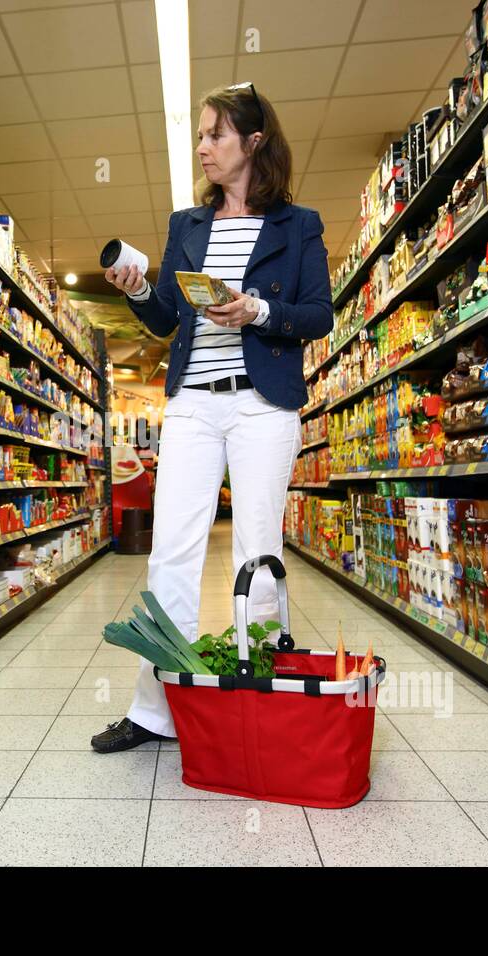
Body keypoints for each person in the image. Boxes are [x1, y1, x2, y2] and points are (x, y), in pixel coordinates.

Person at [91, 82, 334, 753]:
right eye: (199, 135)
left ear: (253, 142)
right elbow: (170, 317)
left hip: (262, 403)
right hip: (194, 403)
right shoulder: (186, 226)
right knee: (171, 551)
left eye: (215, 135)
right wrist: (140, 288)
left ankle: (260, 695)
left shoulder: (299, 224)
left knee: (258, 551)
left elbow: (318, 314)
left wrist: (256, 310)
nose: (202, 147)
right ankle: (154, 710)